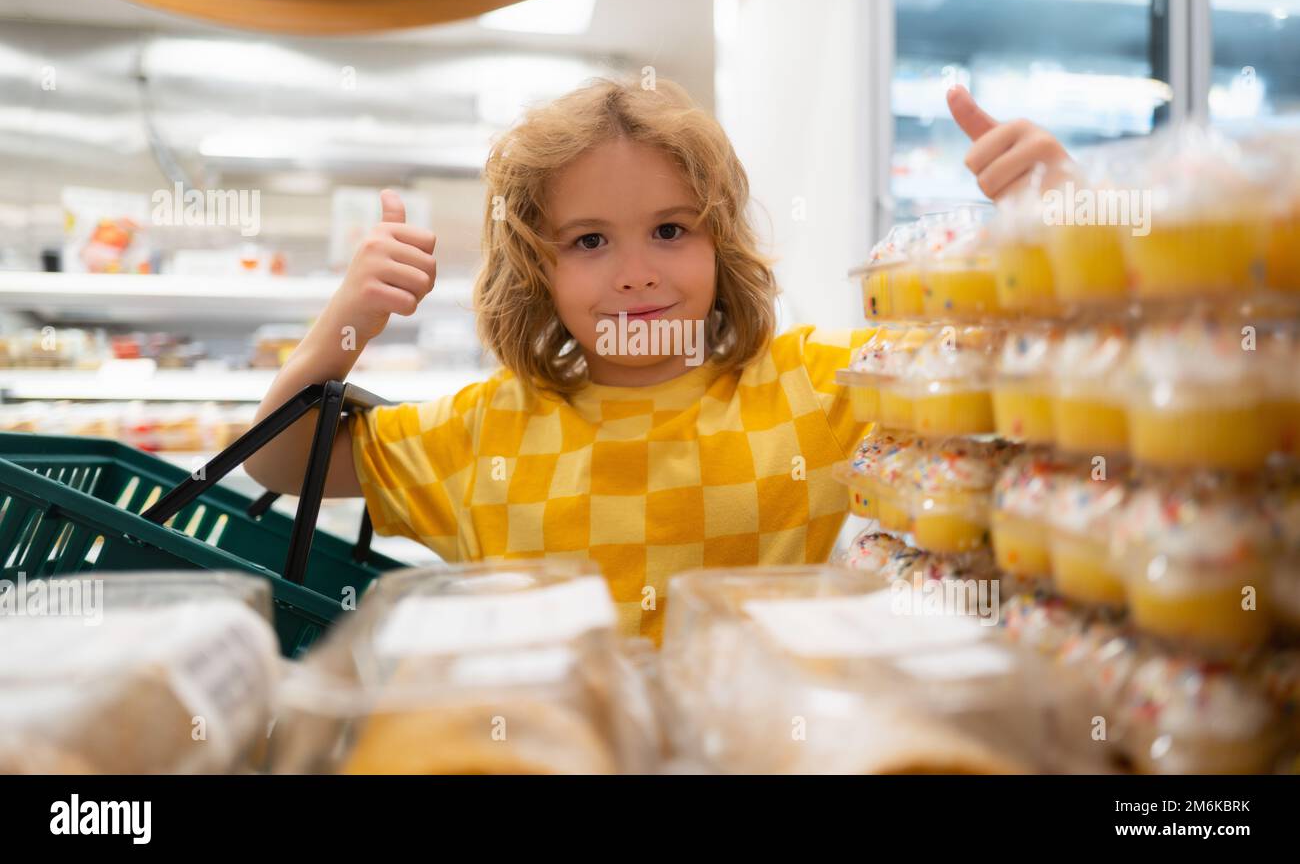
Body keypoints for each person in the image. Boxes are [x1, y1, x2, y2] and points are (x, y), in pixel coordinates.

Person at [245, 76, 1070, 643]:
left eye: (671, 230)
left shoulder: (819, 386)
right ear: (538, 269)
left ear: (723, 245)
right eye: (590, 240)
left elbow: (1029, 377)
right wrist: (350, 319)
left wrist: (1059, 225)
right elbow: (280, 460)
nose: (635, 270)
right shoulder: (483, 429)